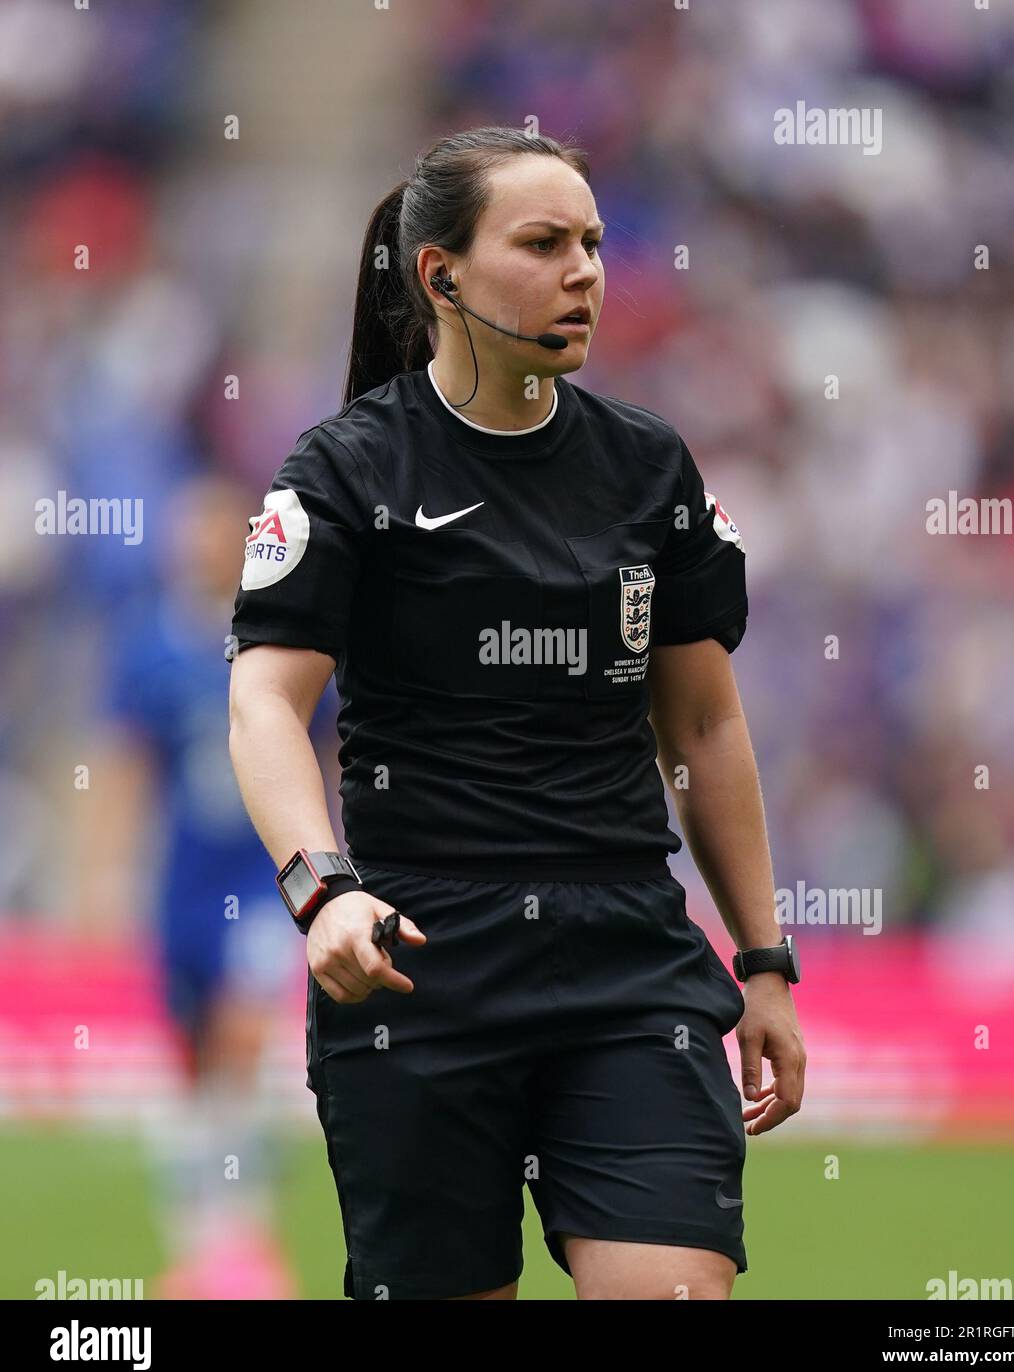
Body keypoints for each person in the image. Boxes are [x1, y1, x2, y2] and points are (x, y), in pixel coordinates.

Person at [227, 126, 806, 1301]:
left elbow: (701, 729)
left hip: (628, 962)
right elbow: (263, 704)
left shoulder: (651, 471)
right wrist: (321, 892)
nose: (584, 269)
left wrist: (761, 962)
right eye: (542, 244)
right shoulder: (343, 473)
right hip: (416, 968)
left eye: (590, 242)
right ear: (439, 276)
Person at [85, 475, 338, 1298]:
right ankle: (208, 1248)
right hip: (182, 883)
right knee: (195, 1062)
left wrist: (334, 857)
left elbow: (329, 749)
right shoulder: (149, 644)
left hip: (263, 877)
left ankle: (242, 1241)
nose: (196, 544)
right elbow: (124, 767)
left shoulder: (280, 637)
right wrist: (107, 871)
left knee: (237, 1031)